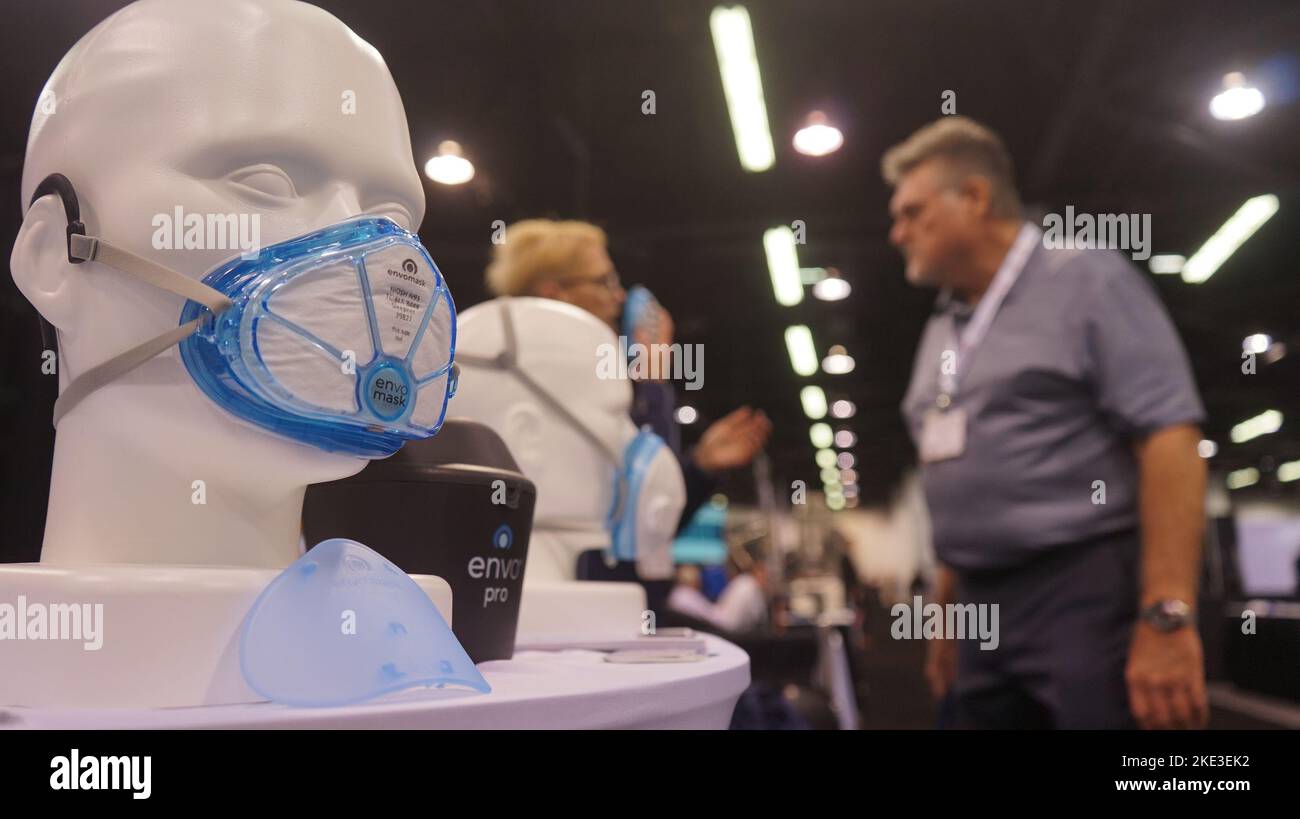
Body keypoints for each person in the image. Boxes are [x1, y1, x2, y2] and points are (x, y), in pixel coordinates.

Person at [883, 117, 1209, 729]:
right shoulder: (941, 327)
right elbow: (952, 474)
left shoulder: (1087, 280)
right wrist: (947, 618)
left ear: (974, 198)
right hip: (979, 598)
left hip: (1080, 589)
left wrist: (1167, 614)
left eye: (913, 211)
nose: (898, 232)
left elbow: (1170, 438)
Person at [483, 219, 772, 528]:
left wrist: (700, 466)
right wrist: (652, 382)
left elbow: (648, 519)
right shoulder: (545, 388)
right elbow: (644, 511)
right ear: (556, 292)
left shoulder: (512, 368)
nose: (619, 295)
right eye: (604, 281)